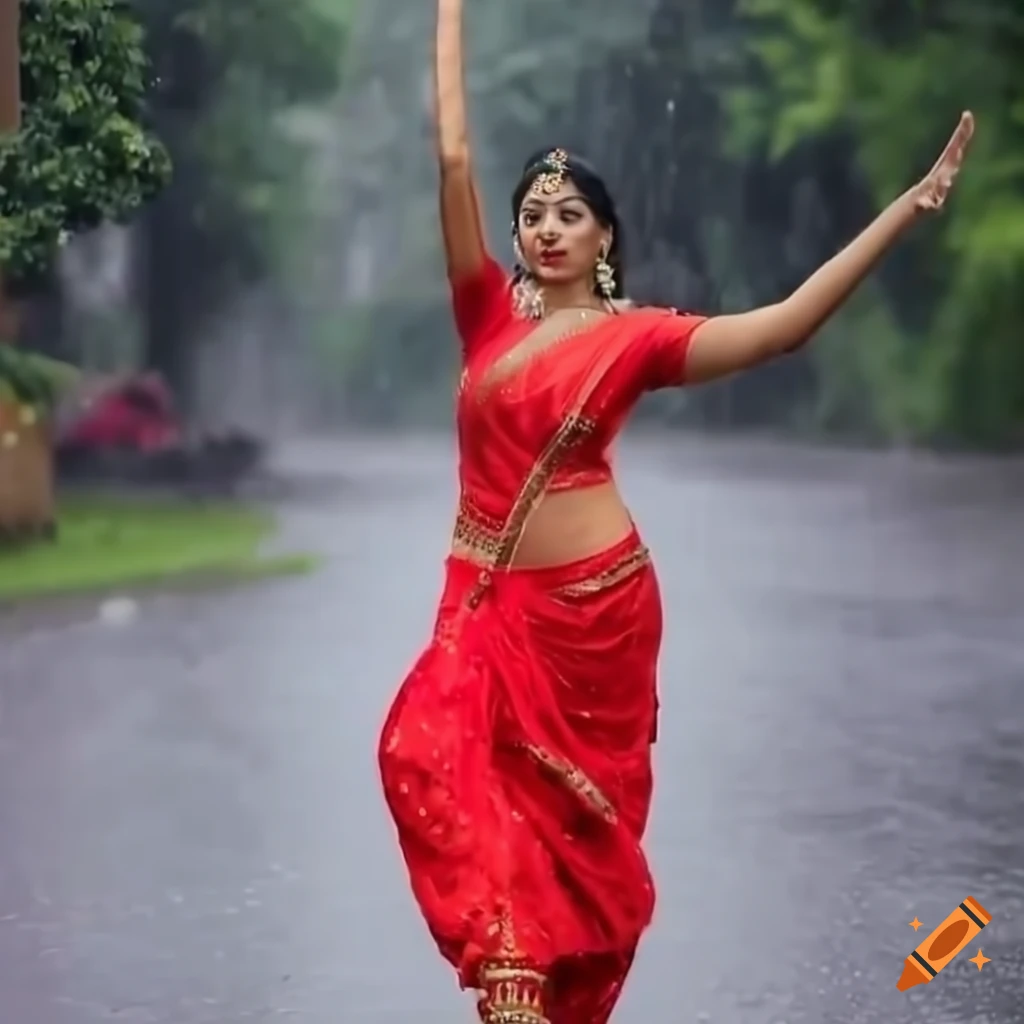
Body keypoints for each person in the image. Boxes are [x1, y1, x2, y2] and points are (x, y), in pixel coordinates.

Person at [377, 0, 975, 1020]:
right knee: (424, 754)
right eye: (533, 214)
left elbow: (783, 328)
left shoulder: (638, 337)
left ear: (604, 235)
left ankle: (527, 987)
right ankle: (512, 968)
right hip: (482, 605)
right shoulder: (484, 318)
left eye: (570, 214)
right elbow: (453, 156)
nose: (547, 228)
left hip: (593, 615)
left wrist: (904, 210)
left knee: (567, 833)